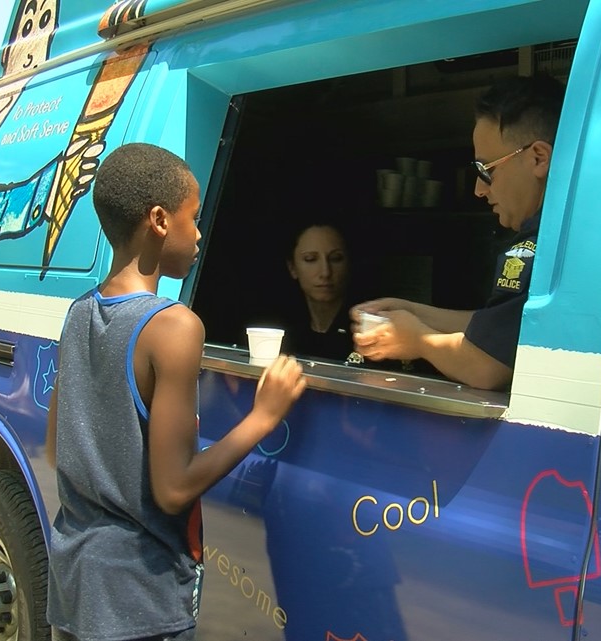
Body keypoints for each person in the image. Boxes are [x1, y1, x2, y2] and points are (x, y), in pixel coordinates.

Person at [45, 142, 307, 641]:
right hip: (140, 600)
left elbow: (58, 447)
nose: (200, 233)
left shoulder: (78, 313)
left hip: (76, 587)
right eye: (195, 216)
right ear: (160, 220)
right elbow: (173, 490)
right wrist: (264, 416)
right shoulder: (174, 327)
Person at [351, 74, 565, 390]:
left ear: (538, 158)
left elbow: (486, 365)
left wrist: (417, 339)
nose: (479, 189)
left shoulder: (533, 247)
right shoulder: (568, 229)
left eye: (485, 170)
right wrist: (410, 310)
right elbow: (496, 329)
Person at [279, 220, 357, 361]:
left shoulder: (367, 332)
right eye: (310, 259)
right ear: (292, 268)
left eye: (336, 258)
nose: (325, 272)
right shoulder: (284, 333)